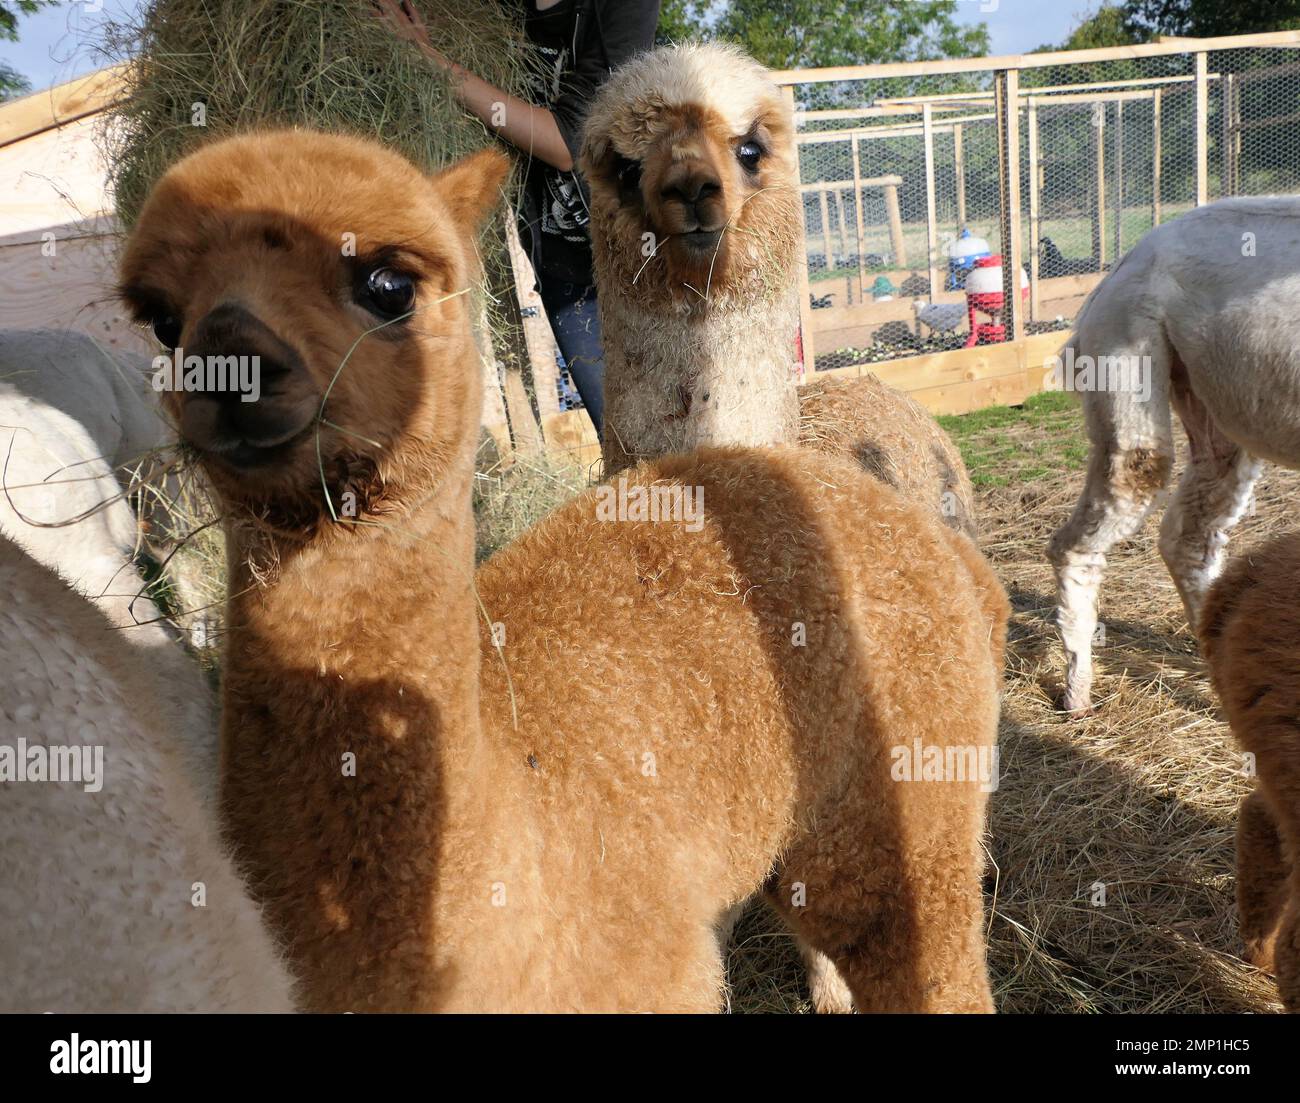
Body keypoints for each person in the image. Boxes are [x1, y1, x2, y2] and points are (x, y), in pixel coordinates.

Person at [374, 0, 662, 437]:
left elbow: (569, 145)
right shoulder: (497, 8)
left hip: (647, 259)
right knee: (623, 438)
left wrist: (435, 64)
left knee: (681, 431)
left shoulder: (623, 6)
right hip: (566, 268)